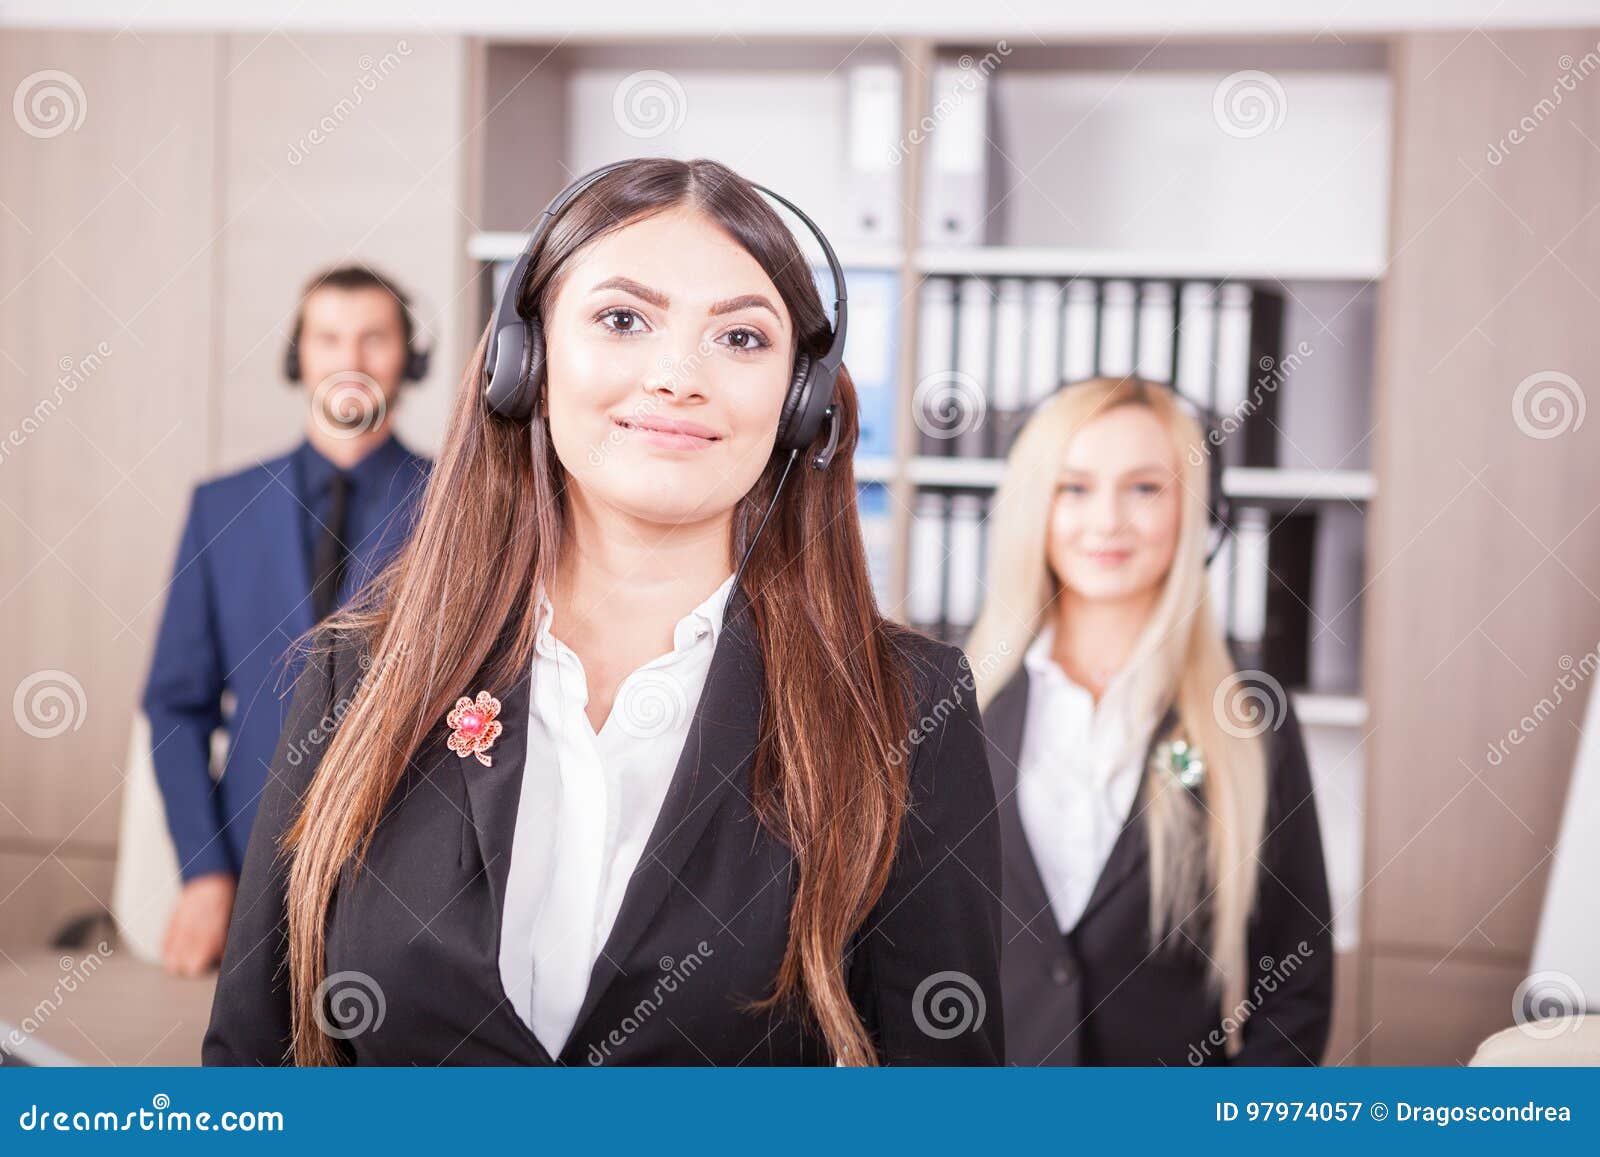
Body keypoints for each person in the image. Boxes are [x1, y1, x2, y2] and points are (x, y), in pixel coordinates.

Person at [203, 158, 1004, 1066]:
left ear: (799, 400)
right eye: (624, 319)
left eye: (740, 338)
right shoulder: (365, 671)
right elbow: (252, 1063)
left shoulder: (903, 707)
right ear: (527, 361)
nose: (677, 376)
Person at [966, 376, 1333, 1065]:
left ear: (1200, 512)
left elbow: (1297, 989)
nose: (1107, 520)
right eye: (1074, 487)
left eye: (1144, 488)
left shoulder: (1251, 721)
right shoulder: (951, 703)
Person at [141, 265, 431, 978]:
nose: (350, 360)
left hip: (411, 878)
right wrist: (204, 872)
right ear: (297, 355)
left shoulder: (458, 502)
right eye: (328, 338)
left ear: (410, 357)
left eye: (374, 338)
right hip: (249, 878)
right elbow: (174, 703)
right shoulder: (221, 507)